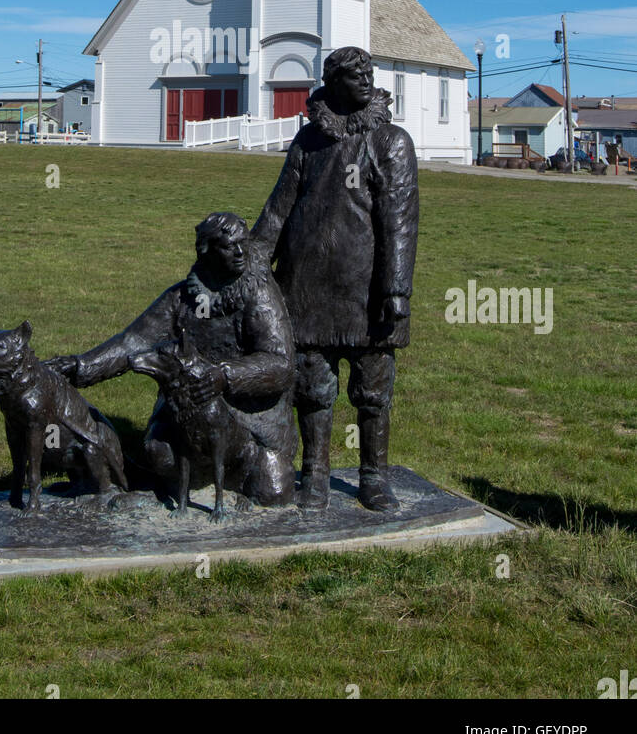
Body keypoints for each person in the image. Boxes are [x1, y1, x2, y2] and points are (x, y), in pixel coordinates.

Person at [252, 46, 419, 512]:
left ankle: (374, 476)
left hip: (368, 291)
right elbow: (278, 210)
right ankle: (316, 474)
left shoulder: (391, 142)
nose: (365, 80)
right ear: (331, 81)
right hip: (307, 287)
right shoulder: (309, 142)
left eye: (369, 73)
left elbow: (400, 222)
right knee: (313, 389)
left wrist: (396, 289)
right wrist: (248, 267)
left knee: (372, 392)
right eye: (354, 74)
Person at [48, 212, 297, 506]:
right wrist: (80, 366)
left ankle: (224, 485)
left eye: (243, 243)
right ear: (206, 250)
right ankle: (177, 484)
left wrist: (224, 376)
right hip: (186, 422)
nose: (241, 252)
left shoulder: (260, 295)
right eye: (230, 246)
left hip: (253, 425)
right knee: (160, 454)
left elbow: (280, 364)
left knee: (273, 493)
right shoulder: (182, 299)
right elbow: (134, 341)